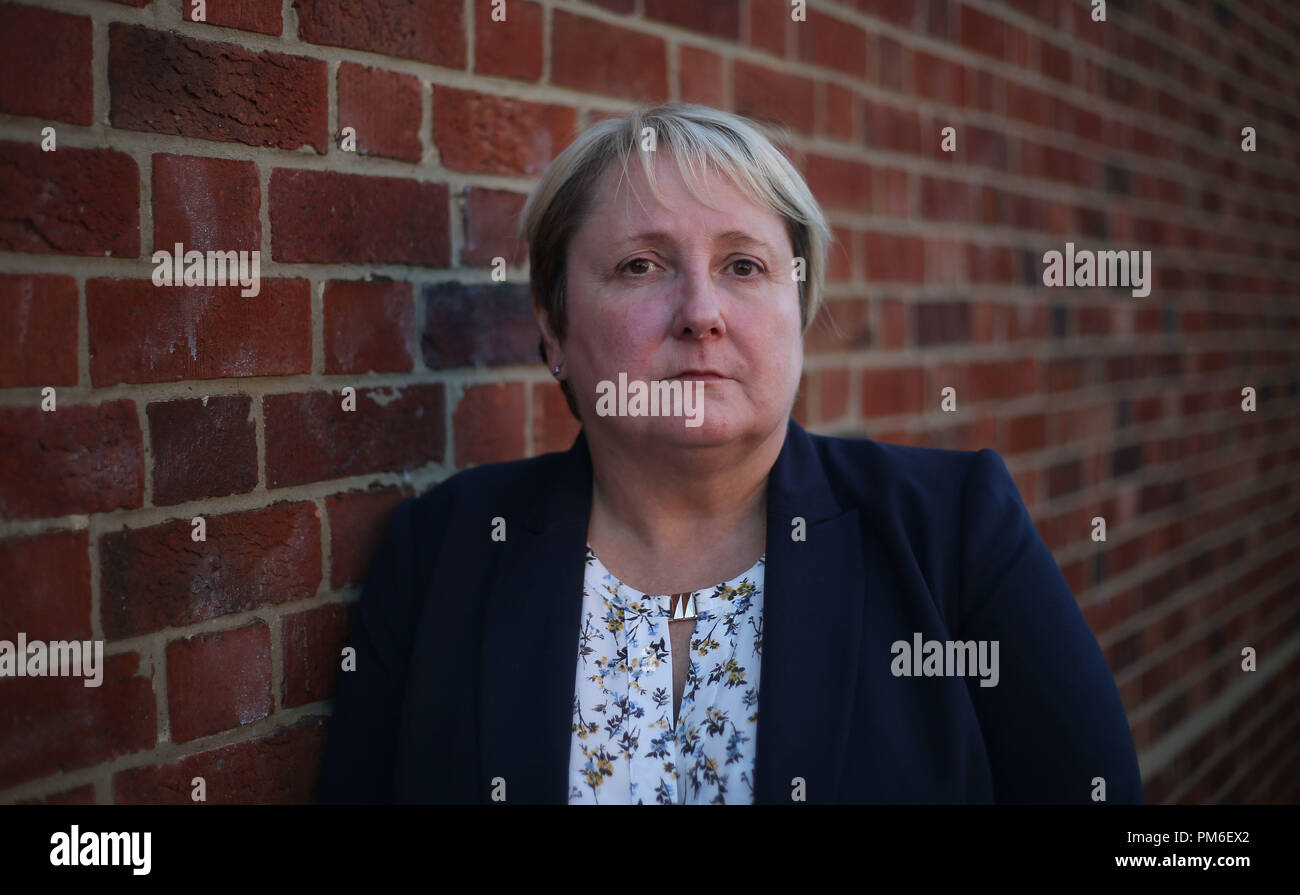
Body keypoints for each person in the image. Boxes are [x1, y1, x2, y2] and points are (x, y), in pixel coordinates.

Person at [317, 103, 1143, 805]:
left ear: (798, 305)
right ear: (553, 325)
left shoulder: (954, 533)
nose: (701, 312)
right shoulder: (443, 552)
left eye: (744, 265)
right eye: (641, 265)